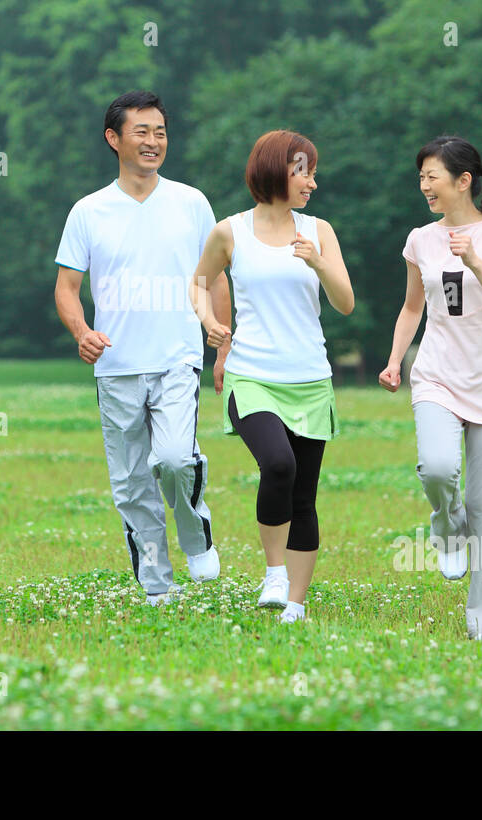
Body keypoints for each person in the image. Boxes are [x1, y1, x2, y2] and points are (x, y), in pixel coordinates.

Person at [54, 91, 232, 606]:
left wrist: (221, 343)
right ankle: (158, 587)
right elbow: (67, 288)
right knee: (132, 484)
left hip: (177, 356)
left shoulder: (191, 202)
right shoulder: (89, 211)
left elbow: (215, 275)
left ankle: (197, 536)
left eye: (160, 132)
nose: (153, 141)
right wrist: (82, 332)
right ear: (114, 139)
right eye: (141, 132)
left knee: (176, 459)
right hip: (116, 367)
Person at [189, 130, 354, 623]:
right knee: (278, 465)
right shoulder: (229, 231)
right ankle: (274, 571)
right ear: (274, 170)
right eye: (302, 170)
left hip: (309, 378)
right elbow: (198, 283)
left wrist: (318, 261)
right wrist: (211, 322)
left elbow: (345, 304)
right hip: (252, 376)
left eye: (312, 171)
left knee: (304, 494)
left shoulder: (319, 231)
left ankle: (296, 605)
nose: (312, 182)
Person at [378, 135, 482, 640]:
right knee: (437, 467)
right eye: (421, 177)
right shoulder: (420, 238)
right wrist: (395, 360)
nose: (424, 186)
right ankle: (447, 528)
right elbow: (412, 307)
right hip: (437, 375)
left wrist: (477, 263)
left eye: (432, 177)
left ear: (464, 181)